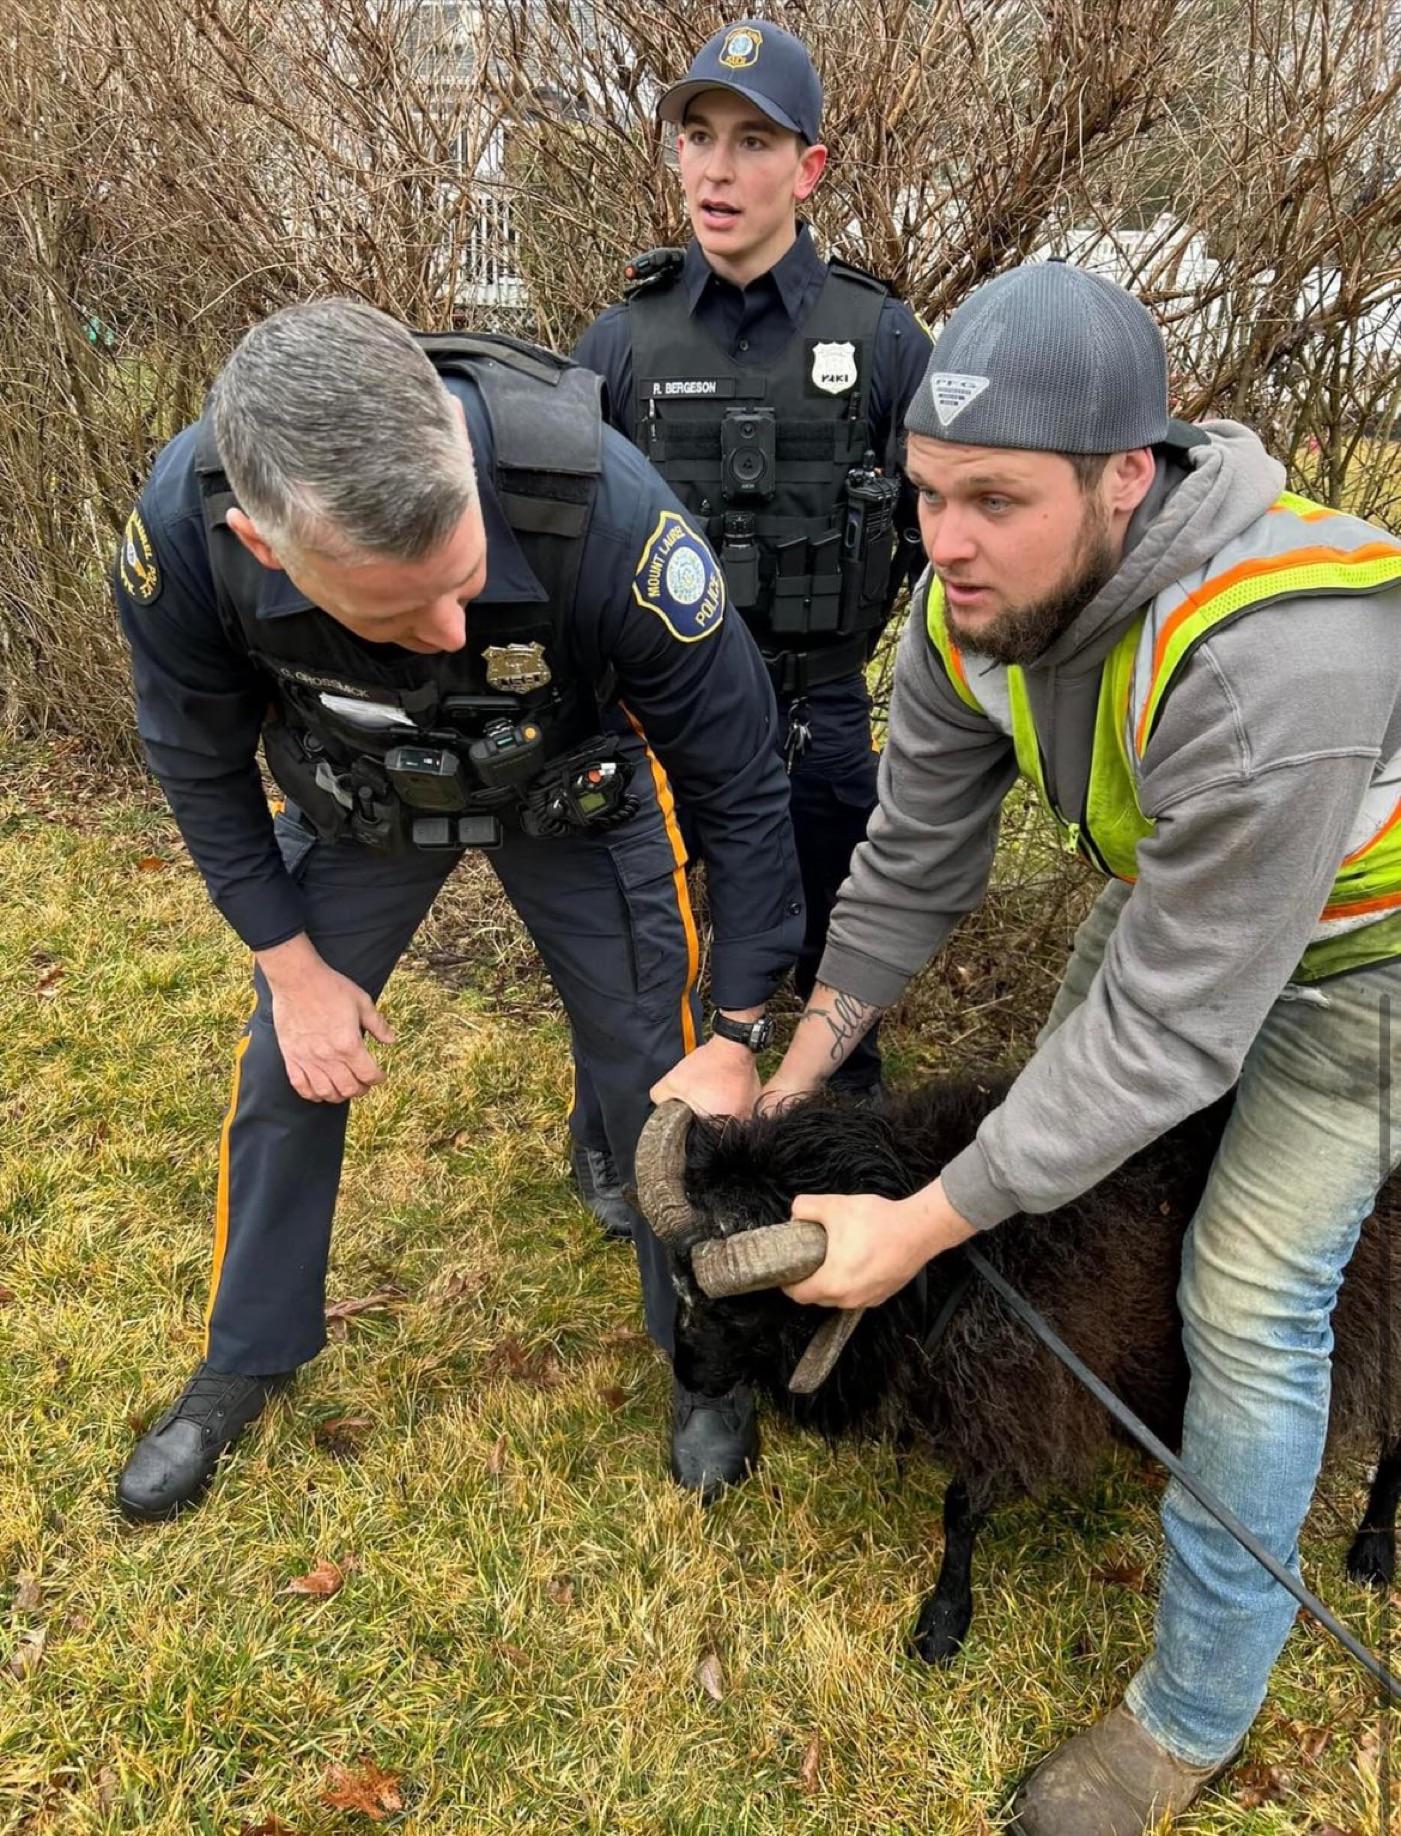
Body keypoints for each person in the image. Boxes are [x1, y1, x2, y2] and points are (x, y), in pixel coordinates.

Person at [756, 262, 1401, 1832]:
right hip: (1186, 895)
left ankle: (1182, 1722)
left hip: (1370, 960)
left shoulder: (1269, 665)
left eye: (993, 498)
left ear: (1128, 476)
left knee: (1248, 1295)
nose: (946, 543)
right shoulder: (970, 604)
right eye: (924, 495)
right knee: (1044, 1188)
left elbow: (1169, 1036)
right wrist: (796, 1072)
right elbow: (913, 855)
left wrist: (914, 1225)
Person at [111, 299, 803, 1521]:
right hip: (358, 800)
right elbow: (197, 767)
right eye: (395, 612)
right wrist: (293, 970)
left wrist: (739, 1025)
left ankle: (702, 1354)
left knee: (658, 1069)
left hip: (570, 792)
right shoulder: (186, 539)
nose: (448, 633)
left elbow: (739, 780)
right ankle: (246, 1358)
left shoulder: (608, 514)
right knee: (288, 1066)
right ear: (267, 548)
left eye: (468, 586)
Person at [570, 20, 930, 1240]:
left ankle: (841, 1147)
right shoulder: (620, 341)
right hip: (662, 713)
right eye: (699, 138)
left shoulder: (882, 338)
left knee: (839, 935)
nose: (718, 170)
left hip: (819, 703)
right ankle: (630, 1135)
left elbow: (941, 531)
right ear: (675, 157)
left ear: (809, 169)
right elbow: (569, 544)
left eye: (753, 142)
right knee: (650, 941)